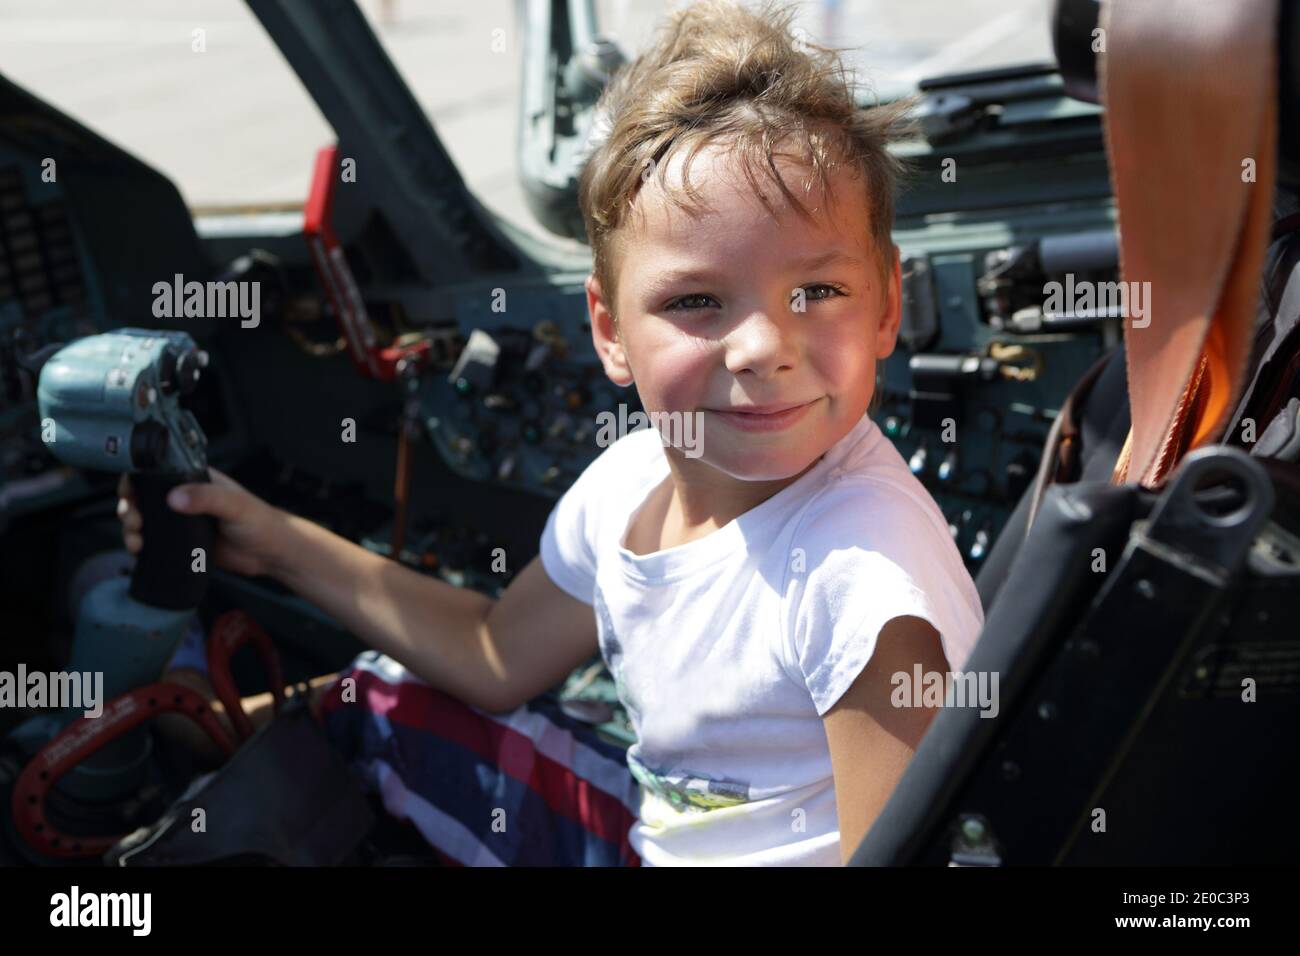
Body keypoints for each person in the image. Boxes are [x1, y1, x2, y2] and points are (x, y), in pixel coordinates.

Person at [117, 0, 984, 866]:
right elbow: (496, 655)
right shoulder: (628, 483)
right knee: (377, 695)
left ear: (887, 306)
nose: (763, 347)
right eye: (694, 301)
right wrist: (274, 543)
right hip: (657, 832)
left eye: (818, 292)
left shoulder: (868, 586)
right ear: (608, 331)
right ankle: (211, 733)